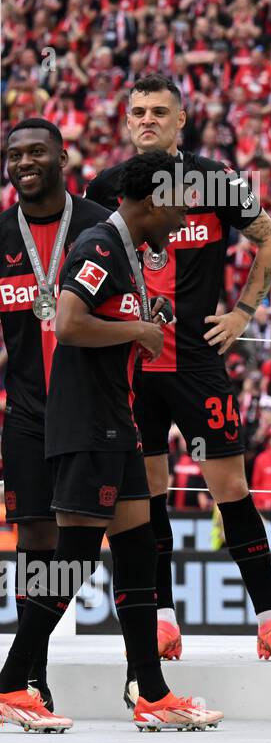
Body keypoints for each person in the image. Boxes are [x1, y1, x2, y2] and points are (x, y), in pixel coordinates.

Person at [84, 74, 271, 682]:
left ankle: (268, 620)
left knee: (230, 488)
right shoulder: (107, 188)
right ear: (127, 123)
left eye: (159, 111)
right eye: (137, 113)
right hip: (132, 364)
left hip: (196, 361)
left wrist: (243, 313)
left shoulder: (215, 181)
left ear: (182, 120)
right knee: (150, 495)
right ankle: (163, 618)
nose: (147, 120)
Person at [0, 150, 223, 732]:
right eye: (179, 200)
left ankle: (151, 690)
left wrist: (144, 317)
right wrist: (140, 329)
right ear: (153, 200)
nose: (185, 212)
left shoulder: (126, 250)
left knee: (138, 546)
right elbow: (68, 323)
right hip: (87, 424)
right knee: (72, 561)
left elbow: (105, 317)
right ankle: (10, 684)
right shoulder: (98, 244)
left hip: (114, 421)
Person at [0, 118, 111, 710]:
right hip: (25, 412)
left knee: (80, 545)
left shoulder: (97, 226)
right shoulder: (1, 235)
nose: (24, 161)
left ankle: (17, 668)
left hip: (89, 411)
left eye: (36, 151)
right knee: (34, 540)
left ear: (62, 157)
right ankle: (32, 679)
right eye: (14, 153)